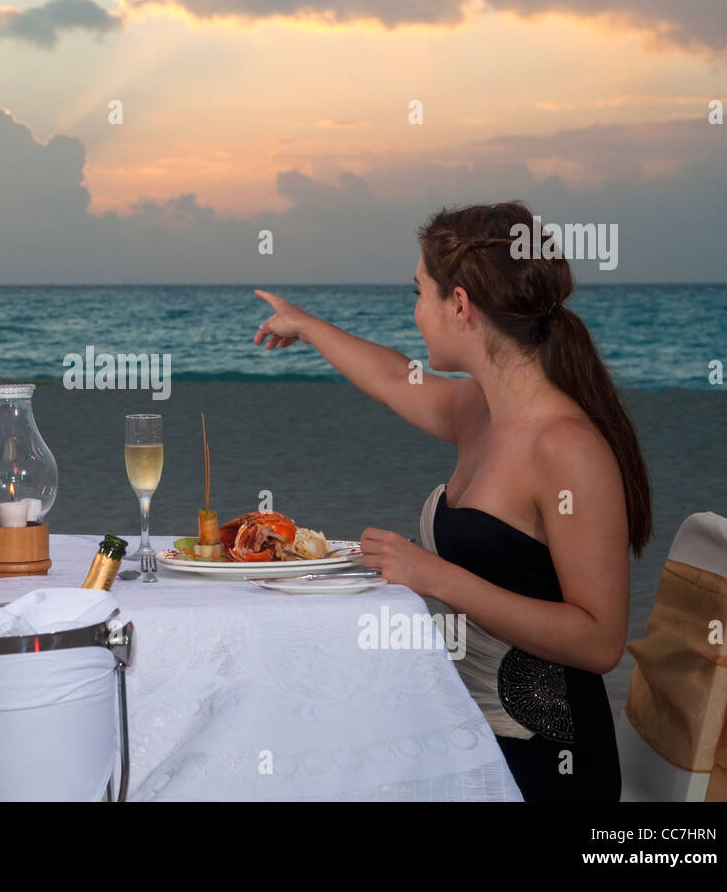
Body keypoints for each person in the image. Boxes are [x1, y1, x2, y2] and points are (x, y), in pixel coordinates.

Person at [253, 200, 651, 802]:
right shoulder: (482, 412)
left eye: (419, 292)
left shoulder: (566, 448)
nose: (414, 314)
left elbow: (599, 642)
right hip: (461, 730)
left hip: (539, 763)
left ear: (459, 304)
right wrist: (307, 326)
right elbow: (393, 378)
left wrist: (436, 577)